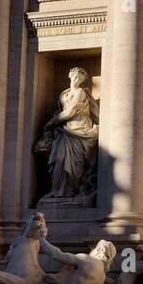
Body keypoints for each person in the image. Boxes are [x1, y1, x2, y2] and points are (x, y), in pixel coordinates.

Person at [36, 67, 99, 199]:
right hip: (64, 131)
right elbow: (58, 111)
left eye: (80, 78)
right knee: (59, 159)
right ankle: (57, 190)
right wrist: (53, 124)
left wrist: (51, 123)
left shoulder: (81, 91)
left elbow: (71, 111)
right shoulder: (63, 94)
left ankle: (70, 191)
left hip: (79, 127)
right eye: (75, 76)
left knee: (74, 162)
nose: (77, 80)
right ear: (70, 75)